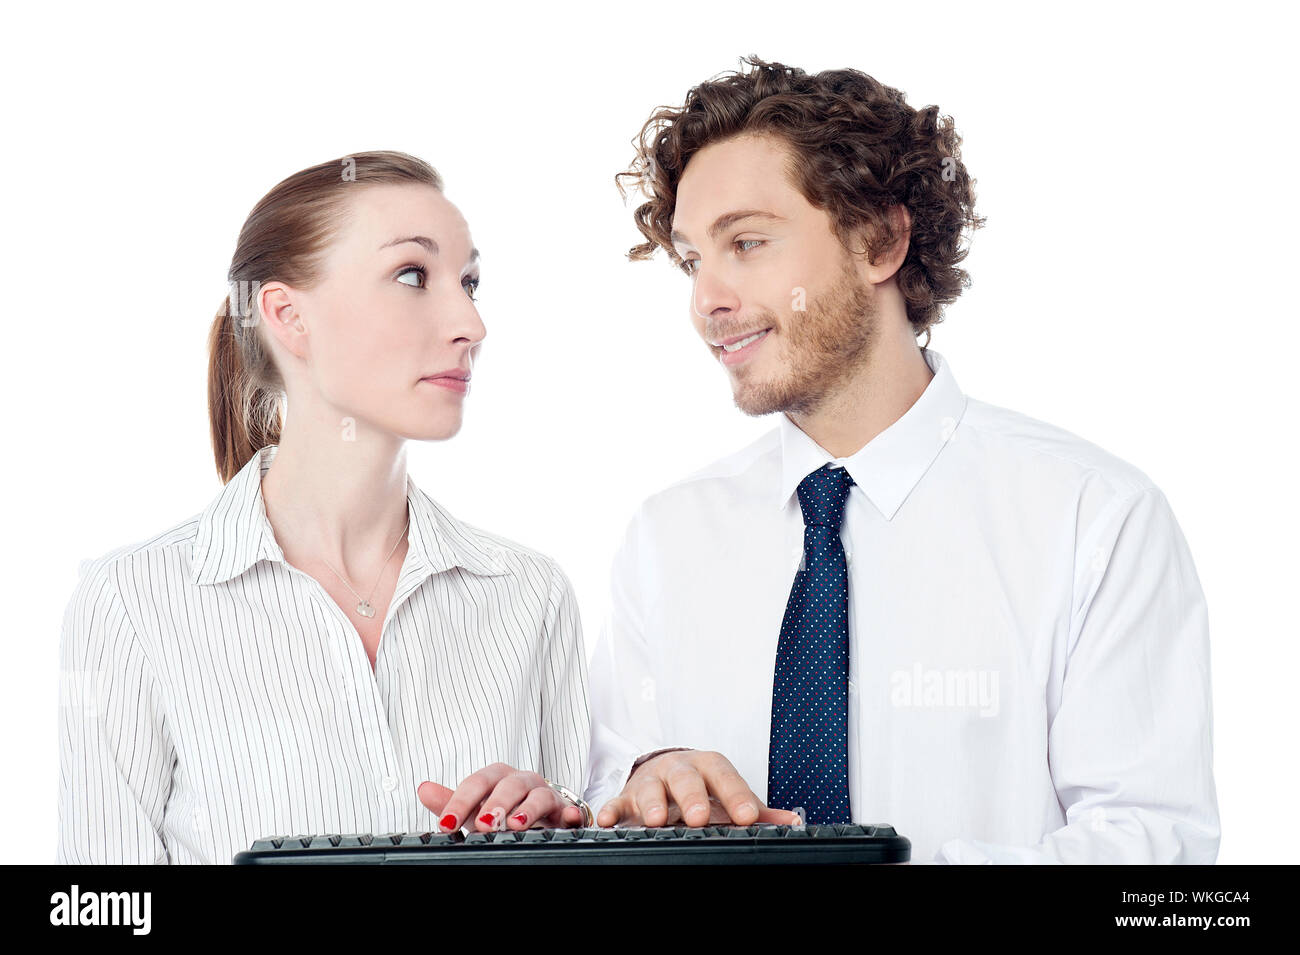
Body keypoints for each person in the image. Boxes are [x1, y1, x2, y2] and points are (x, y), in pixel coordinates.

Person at [584, 57, 1220, 863]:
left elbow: (1156, 852)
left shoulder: (1092, 519)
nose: (706, 300)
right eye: (691, 259)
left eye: (746, 242)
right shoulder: (664, 538)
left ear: (879, 240)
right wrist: (647, 780)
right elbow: (608, 788)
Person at [57, 151, 590, 864]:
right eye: (412, 275)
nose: (470, 323)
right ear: (288, 316)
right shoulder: (130, 601)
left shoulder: (532, 594)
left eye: (469, 282)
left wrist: (565, 830)